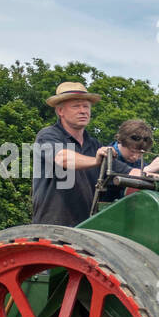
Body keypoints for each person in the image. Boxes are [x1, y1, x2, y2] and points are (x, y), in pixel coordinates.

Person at [31, 82, 124, 227]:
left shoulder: (94, 145)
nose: (83, 111)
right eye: (76, 106)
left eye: (86, 106)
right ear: (60, 111)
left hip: (86, 230)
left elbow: (128, 171)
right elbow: (63, 158)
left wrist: (157, 175)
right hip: (52, 230)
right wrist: (96, 160)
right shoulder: (47, 136)